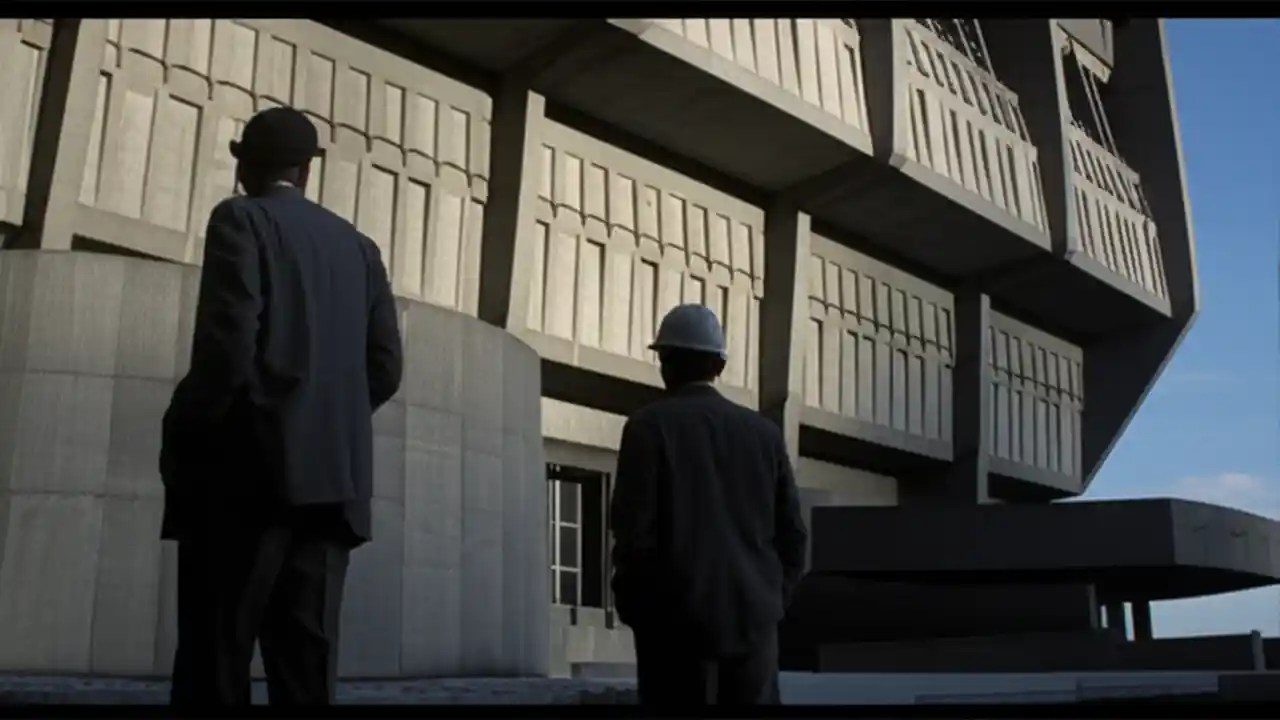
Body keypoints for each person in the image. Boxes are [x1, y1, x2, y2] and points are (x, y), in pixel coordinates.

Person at [159, 106, 403, 707]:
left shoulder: (240, 219)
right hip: (334, 488)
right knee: (306, 669)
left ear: (244, 165)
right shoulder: (360, 247)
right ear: (307, 171)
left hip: (248, 478)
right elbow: (386, 368)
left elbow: (228, 345)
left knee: (218, 657)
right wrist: (325, 417)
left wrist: (188, 429)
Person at [609, 304, 809, 706]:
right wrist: (771, 601)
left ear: (666, 362)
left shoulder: (648, 428)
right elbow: (793, 537)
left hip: (671, 628)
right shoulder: (764, 435)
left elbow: (633, 534)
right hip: (753, 622)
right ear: (719, 365)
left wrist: (638, 608)